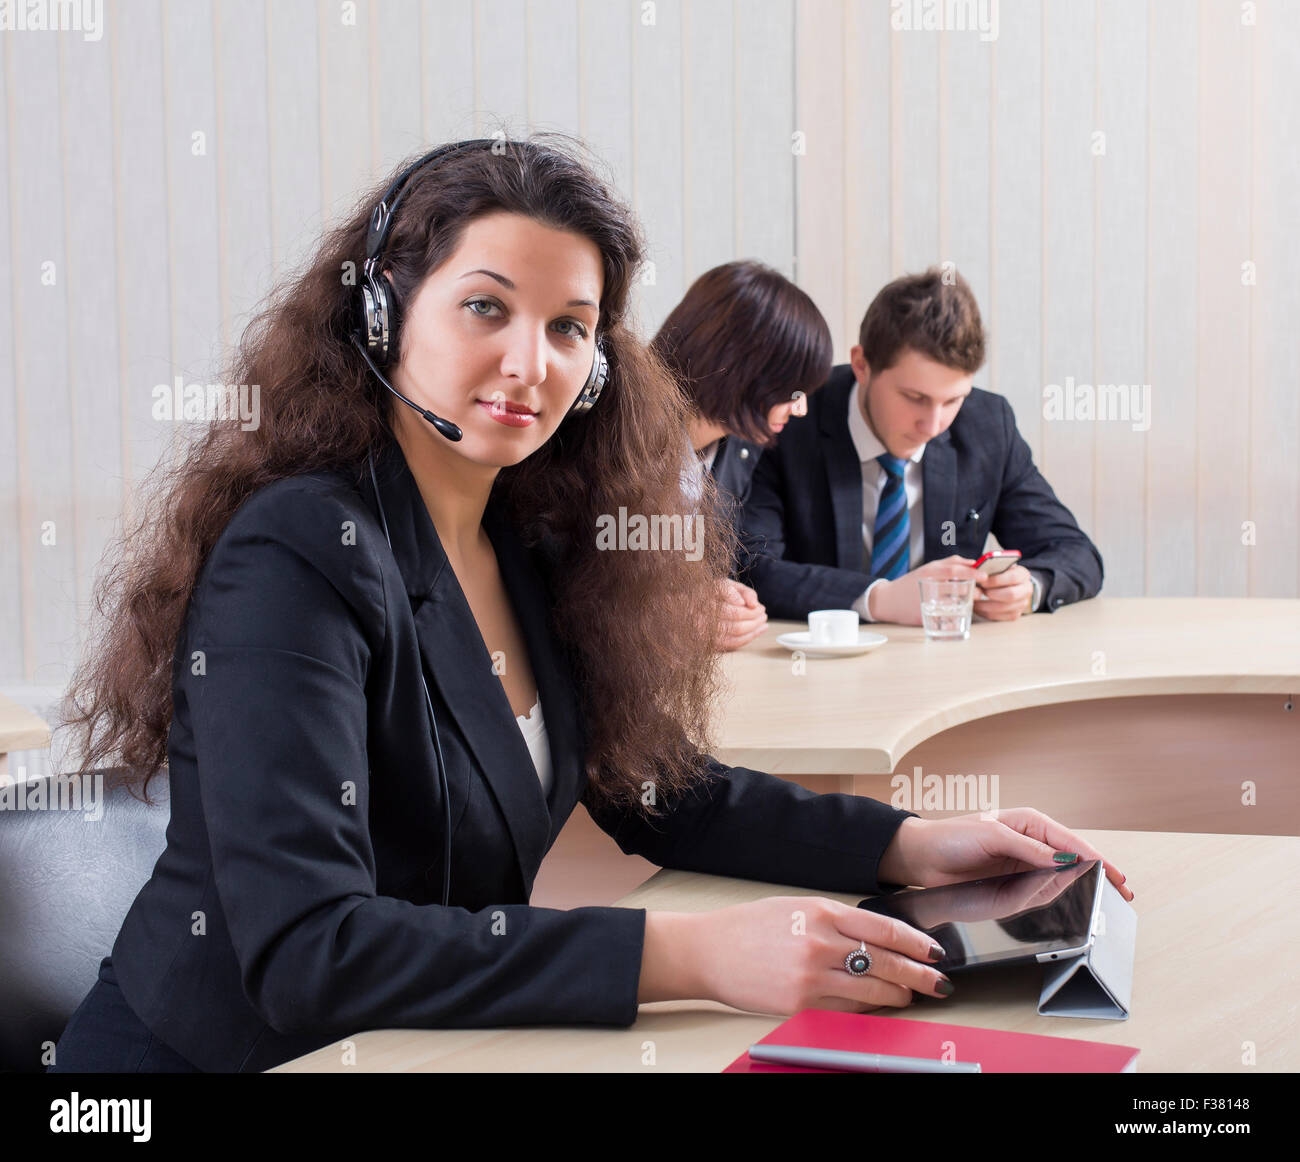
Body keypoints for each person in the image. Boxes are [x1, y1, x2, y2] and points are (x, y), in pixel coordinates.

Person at [51, 137, 1131, 1073]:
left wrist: (910, 843)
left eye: (571, 327)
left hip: (420, 1050)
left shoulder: (525, 537)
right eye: (485, 306)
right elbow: (309, 949)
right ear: (382, 310)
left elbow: (659, 789)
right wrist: (694, 953)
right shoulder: (298, 552)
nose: (531, 363)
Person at [736, 267, 1104, 623]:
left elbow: (1076, 553)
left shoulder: (988, 426)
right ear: (862, 365)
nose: (932, 425)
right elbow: (754, 569)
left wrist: (1029, 588)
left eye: (952, 400)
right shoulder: (790, 421)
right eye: (914, 397)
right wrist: (877, 599)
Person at [652, 260, 832, 651]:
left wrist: (721, 598)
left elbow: (698, 575)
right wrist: (671, 615)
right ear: (741, 369)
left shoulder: (737, 451)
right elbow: (570, 579)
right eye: (791, 391)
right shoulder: (613, 437)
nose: (799, 409)